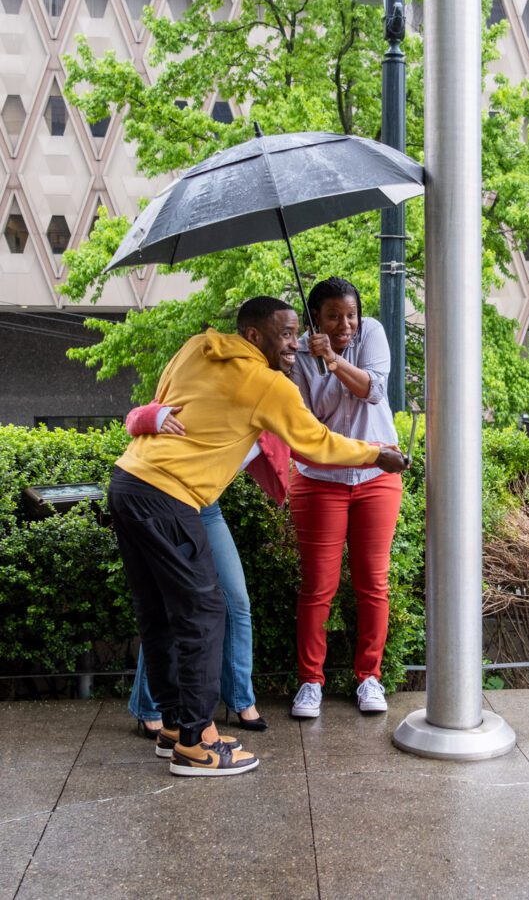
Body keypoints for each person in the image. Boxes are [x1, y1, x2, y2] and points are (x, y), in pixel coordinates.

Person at [107, 295, 407, 778]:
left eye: (295, 333)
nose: (295, 345)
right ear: (254, 336)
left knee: (158, 613)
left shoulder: (196, 347)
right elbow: (318, 445)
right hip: (170, 497)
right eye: (285, 335)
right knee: (204, 613)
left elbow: (163, 403)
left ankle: (171, 730)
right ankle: (198, 742)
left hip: (127, 484)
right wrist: (377, 454)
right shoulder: (268, 385)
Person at [287, 277, 404, 720]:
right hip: (320, 479)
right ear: (315, 316)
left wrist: (333, 360)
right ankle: (309, 683)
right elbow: (307, 425)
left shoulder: (371, 333)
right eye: (333, 316)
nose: (345, 323)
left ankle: (368, 677)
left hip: (378, 474)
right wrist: (314, 360)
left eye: (349, 314)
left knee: (373, 582)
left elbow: (372, 389)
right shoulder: (297, 355)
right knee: (319, 586)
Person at [124, 403, 267, 739]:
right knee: (168, 608)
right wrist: (156, 418)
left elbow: (314, 436)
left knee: (237, 601)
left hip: (205, 506)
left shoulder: (275, 401)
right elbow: (133, 418)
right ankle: (150, 708)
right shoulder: (212, 383)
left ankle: (241, 699)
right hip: (166, 499)